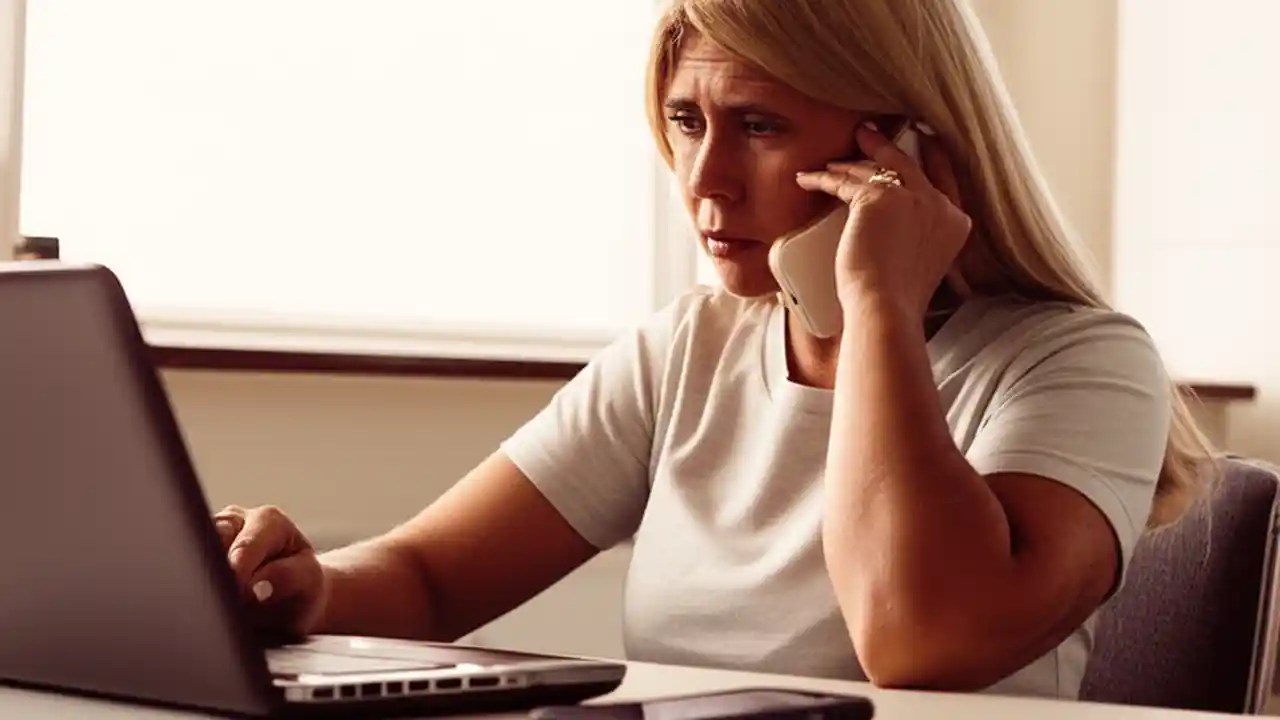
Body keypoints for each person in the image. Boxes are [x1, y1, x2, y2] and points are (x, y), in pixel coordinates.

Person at [214, 0, 1216, 700]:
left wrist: (871, 300)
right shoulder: (686, 351)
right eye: (686, 121)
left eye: (759, 126)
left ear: (909, 153)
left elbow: (919, 640)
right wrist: (310, 591)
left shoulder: (1080, 364)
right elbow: (430, 580)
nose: (705, 180)